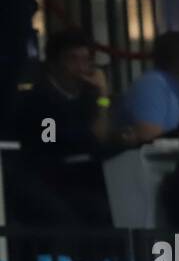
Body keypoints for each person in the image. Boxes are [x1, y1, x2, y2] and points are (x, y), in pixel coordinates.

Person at [13, 29, 131, 228]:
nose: (81, 68)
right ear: (53, 63)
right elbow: (50, 142)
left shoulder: (87, 98)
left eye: (85, 60)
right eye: (73, 60)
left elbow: (99, 138)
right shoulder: (39, 100)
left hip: (90, 176)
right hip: (52, 181)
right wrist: (103, 97)